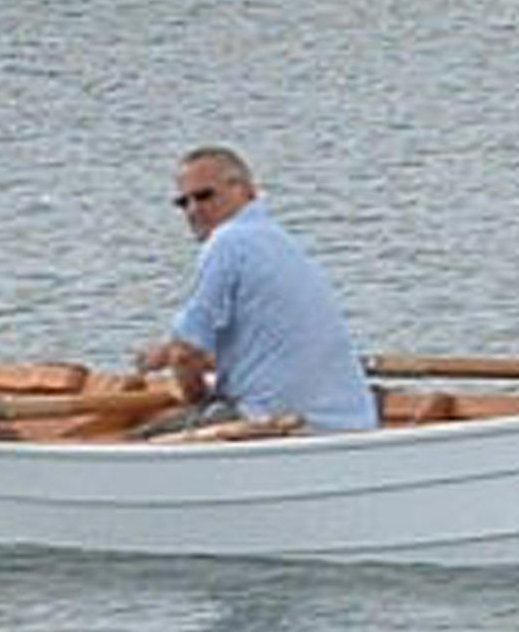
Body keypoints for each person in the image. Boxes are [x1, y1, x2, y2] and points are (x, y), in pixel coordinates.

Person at [136, 147, 378, 432]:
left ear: (245, 190)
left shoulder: (226, 242)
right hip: (351, 417)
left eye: (205, 196)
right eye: (183, 203)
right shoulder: (278, 239)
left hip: (276, 417)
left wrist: (197, 402)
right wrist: (169, 351)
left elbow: (185, 355)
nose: (193, 210)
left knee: (139, 435)